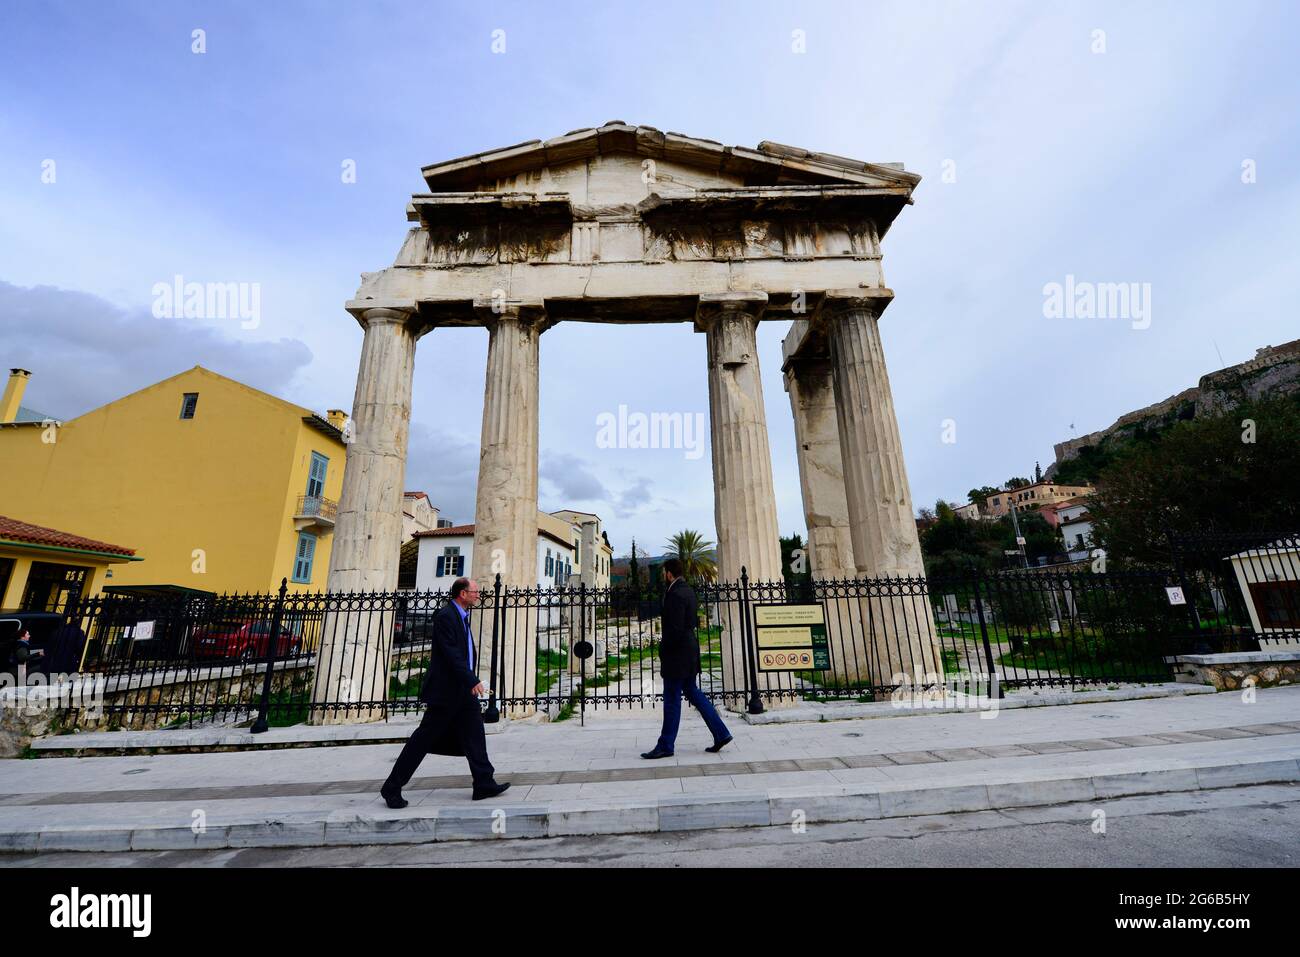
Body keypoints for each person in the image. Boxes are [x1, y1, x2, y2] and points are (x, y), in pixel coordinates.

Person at [381, 577, 509, 806]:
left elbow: (464, 654)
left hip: (462, 691)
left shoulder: (462, 617)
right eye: (475, 591)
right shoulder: (446, 617)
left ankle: (483, 782)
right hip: (447, 692)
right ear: (462, 594)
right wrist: (472, 679)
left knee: (475, 735)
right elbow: (452, 654)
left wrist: (469, 680)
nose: (478, 594)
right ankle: (392, 787)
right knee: (422, 740)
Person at [641, 558, 733, 759]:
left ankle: (666, 744)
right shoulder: (688, 591)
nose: (664, 575)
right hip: (690, 650)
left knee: (672, 699)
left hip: (677, 654)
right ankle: (721, 733)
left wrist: (663, 650)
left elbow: (674, 629)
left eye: (664, 572)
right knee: (693, 692)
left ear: (669, 573)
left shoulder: (674, 594)